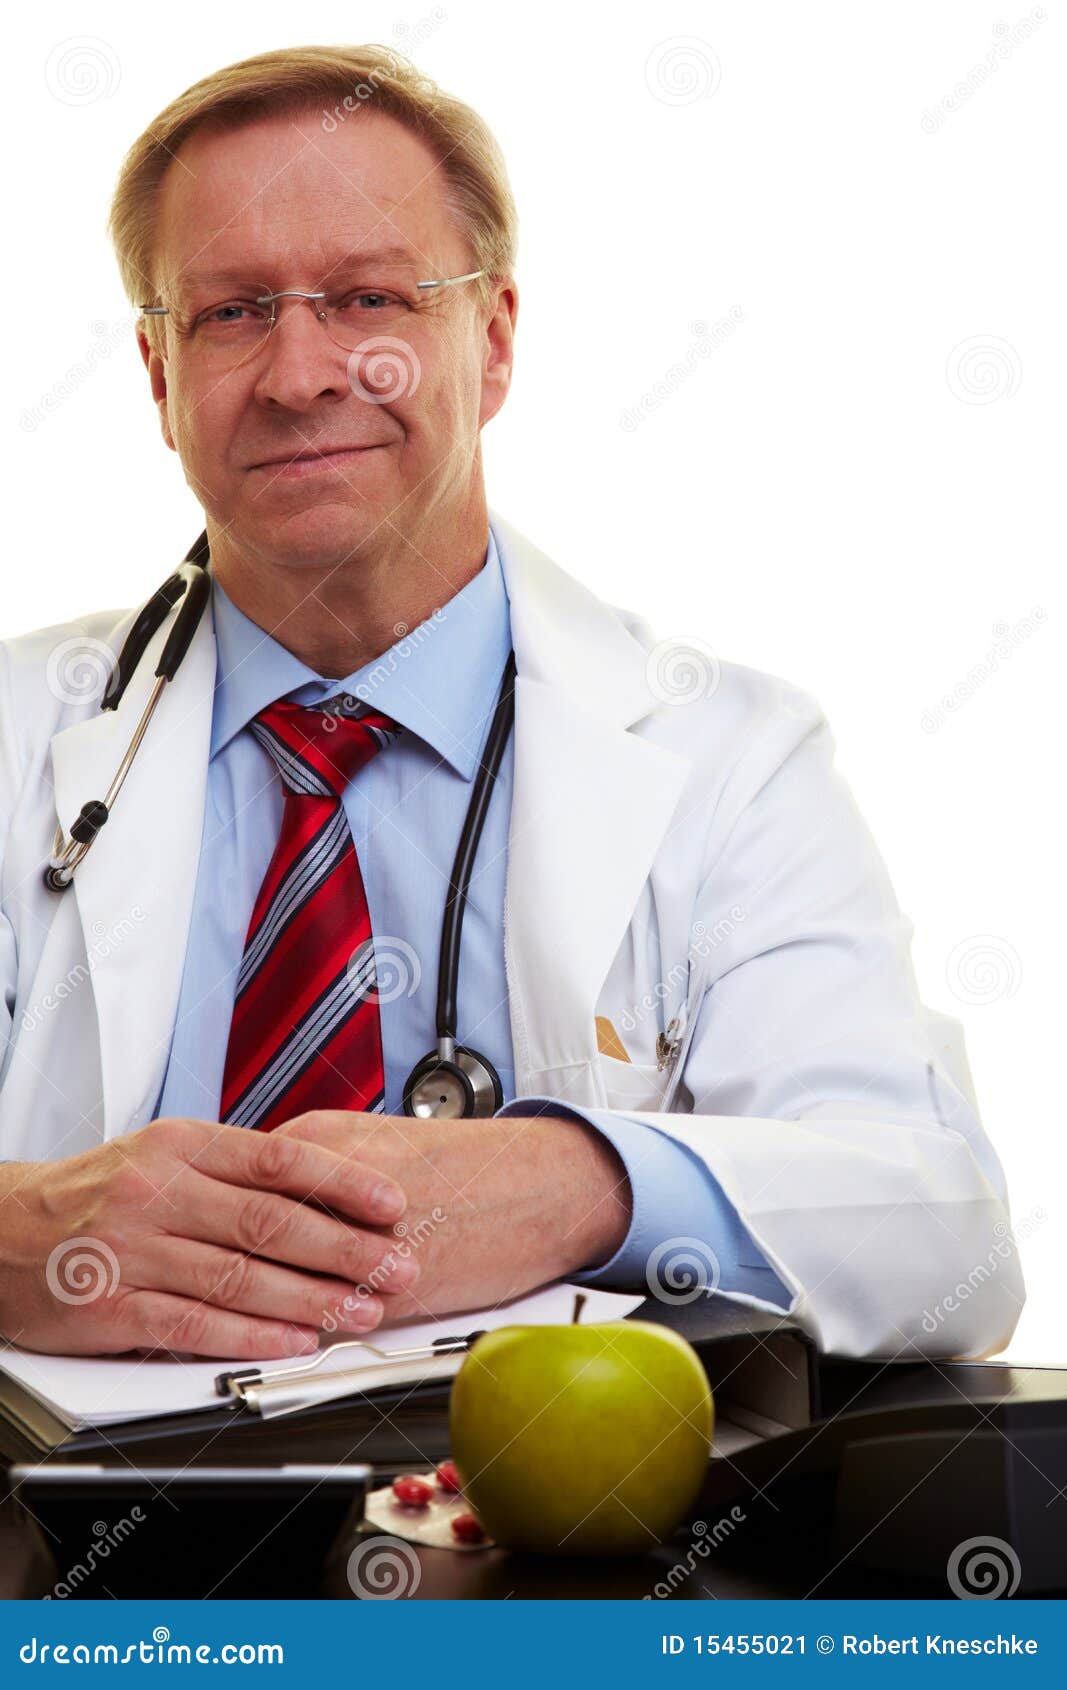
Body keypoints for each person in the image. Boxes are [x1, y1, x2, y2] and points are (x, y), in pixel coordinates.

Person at [0, 45, 1022, 1365]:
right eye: (233, 312)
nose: (303, 372)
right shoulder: (23, 732)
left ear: (490, 342)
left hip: (561, 1542)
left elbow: (940, 1229)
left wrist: (575, 1180)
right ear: (156, 378)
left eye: (370, 296)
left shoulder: (728, 760)